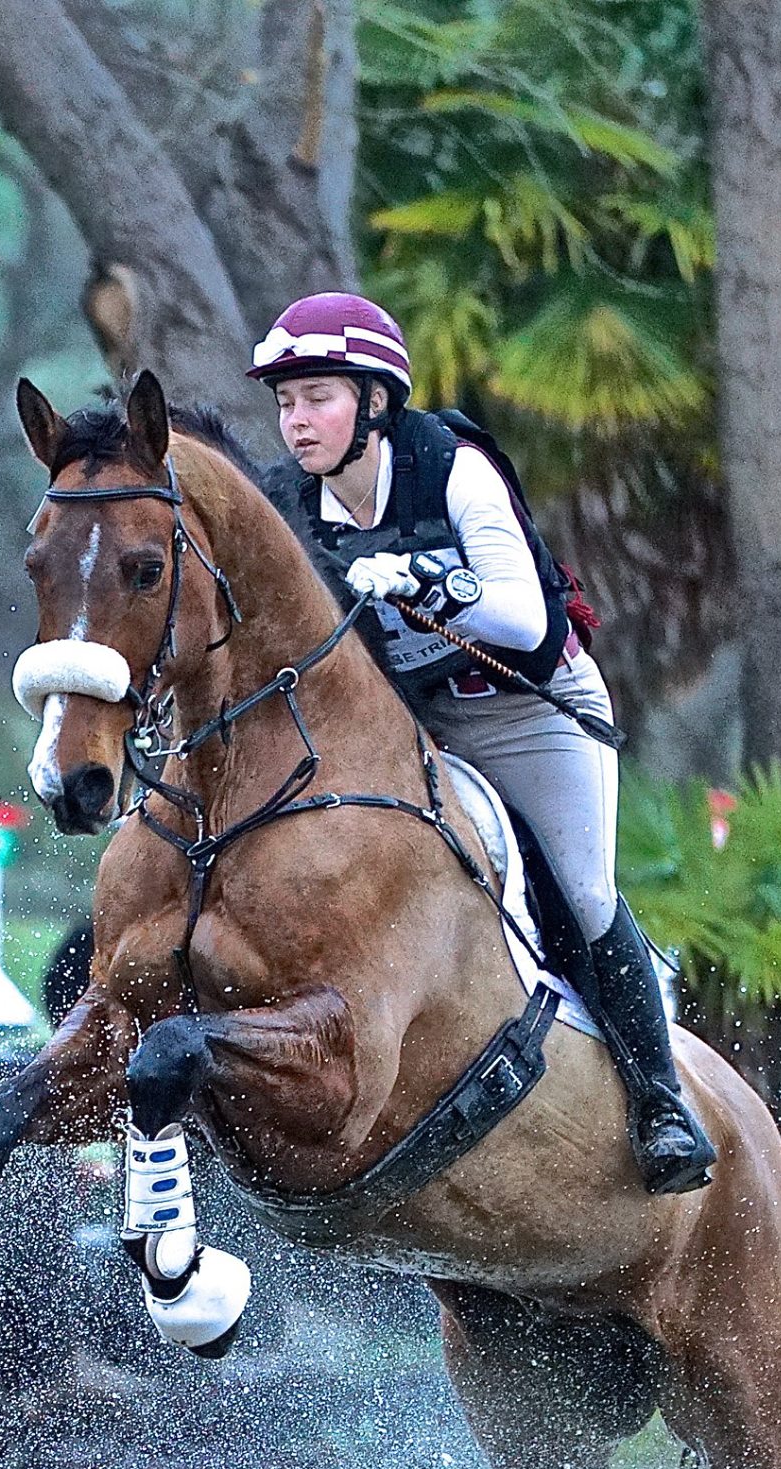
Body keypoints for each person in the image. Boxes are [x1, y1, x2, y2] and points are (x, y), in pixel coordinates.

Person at [247, 291, 716, 1194]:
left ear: (376, 402)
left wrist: (432, 578)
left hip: (532, 709)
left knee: (579, 889)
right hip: (416, 722)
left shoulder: (450, 467)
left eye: (317, 398)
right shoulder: (289, 505)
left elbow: (522, 614)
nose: (295, 421)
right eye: (285, 402)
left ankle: (662, 1105)